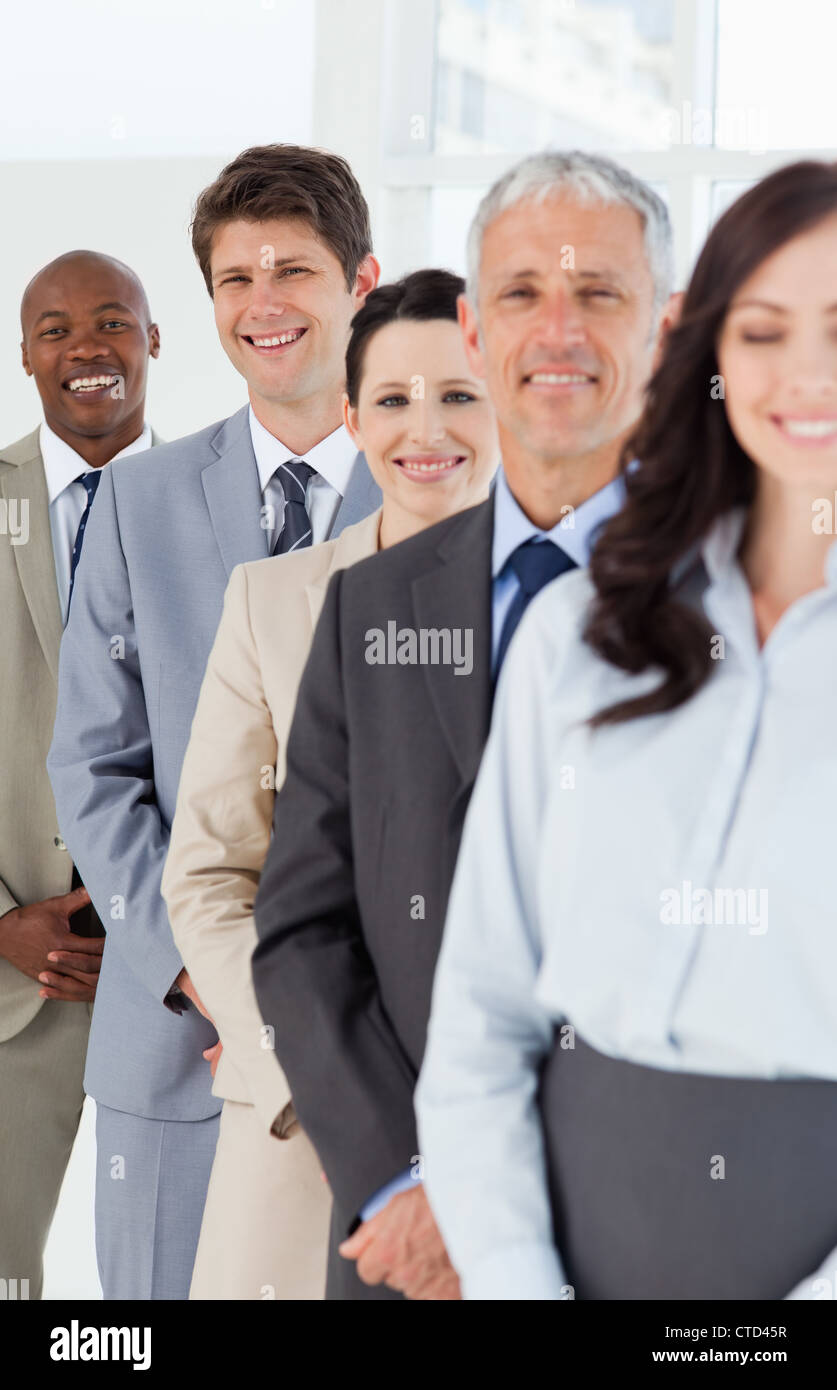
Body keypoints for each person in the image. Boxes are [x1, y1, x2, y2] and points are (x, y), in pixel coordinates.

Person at [251, 150, 680, 1300]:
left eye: (599, 293)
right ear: (477, 336)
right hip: (413, 1251)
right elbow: (302, 928)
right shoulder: (372, 604)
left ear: (668, 331)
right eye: (520, 293)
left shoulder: (762, 602)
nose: (558, 330)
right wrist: (411, 1185)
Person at [416, 159, 837, 1301]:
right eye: (763, 332)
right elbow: (482, 1015)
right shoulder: (580, 632)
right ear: (705, 355)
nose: (807, 373)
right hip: (551, 1248)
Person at [46, 144, 382, 1300]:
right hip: (176, 1038)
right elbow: (91, 764)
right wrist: (209, 979)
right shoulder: (136, 501)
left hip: (381, 1047)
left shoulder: (447, 496)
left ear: (363, 285)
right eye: (234, 279)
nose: (263, 303)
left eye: (294, 268)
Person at [161, 268, 498, 1300]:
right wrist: (303, 1054)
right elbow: (212, 871)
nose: (424, 428)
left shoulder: (578, 605)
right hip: (306, 1118)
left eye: (459, 394)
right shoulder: (276, 601)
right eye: (392, 399)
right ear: (351, 417)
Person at [0, 251, 160, 1298]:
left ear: (153, 342)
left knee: (177, 1277)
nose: (86, 348)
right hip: (14, 980)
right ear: (24, 355)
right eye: (56, 328)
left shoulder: (219, 502)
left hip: (176, 978)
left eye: (112, 321)